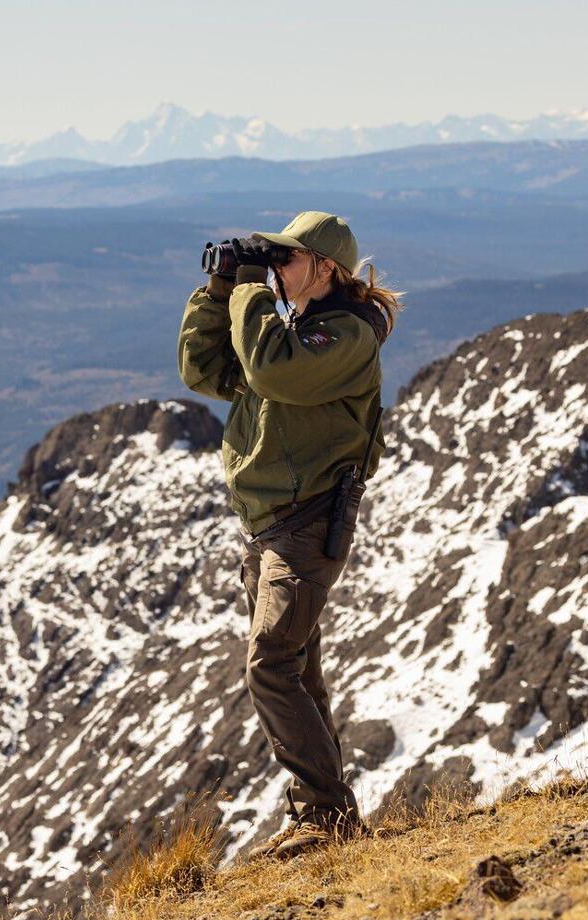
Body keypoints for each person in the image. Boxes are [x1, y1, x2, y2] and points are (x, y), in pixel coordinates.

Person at [177, 211, 401, 860]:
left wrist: (249, 293)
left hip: (306, 525)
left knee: (272, 667)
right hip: (269, 526)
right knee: (300, 671)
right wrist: (217, 293)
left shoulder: (344, 339)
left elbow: (273, 373)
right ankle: (323, 816)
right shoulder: (291, 332)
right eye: (270, 259)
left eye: (286, 259)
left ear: (326, 269)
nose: (274, 269)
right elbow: (202, 371)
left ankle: (325, 815)